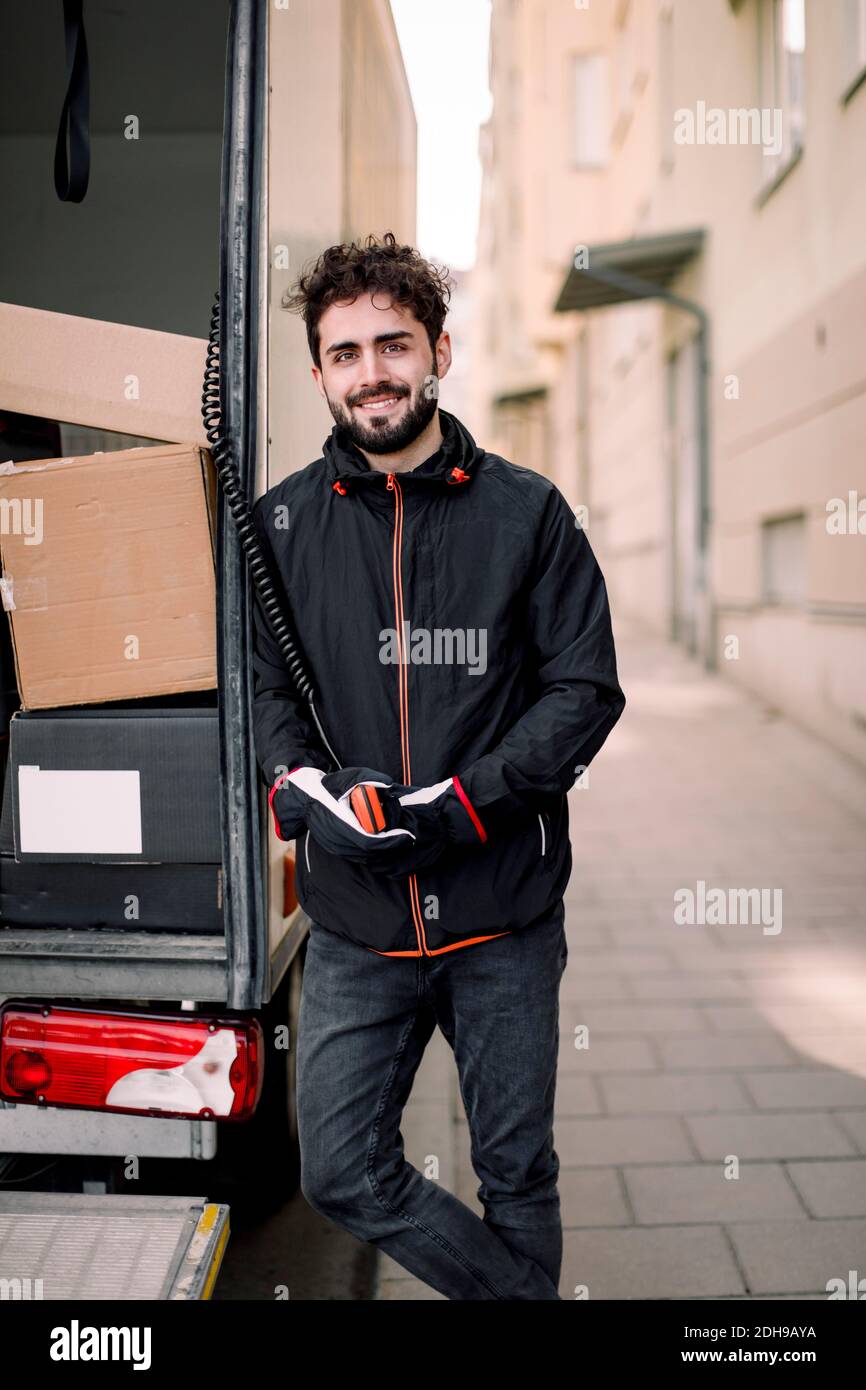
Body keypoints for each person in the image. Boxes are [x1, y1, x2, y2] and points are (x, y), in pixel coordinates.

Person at [251, 231, 625, 1300]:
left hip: (500, 914)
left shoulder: (527, 513)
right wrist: (302, 785)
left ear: (438, 353)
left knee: (515, 1171)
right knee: (337, 1169)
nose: (371, 371)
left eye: (393, 344)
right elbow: (267, 688)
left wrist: (463, 802)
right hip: (359, 923)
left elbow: (581, 691)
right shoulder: (278, 525)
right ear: (318, 371)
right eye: (345, 352)